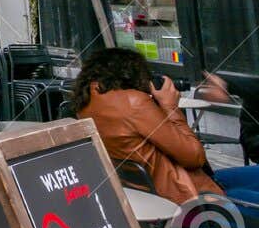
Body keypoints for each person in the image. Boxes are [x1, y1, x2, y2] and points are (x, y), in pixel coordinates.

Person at [70, 48, 259, 206]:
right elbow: (194, 157)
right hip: (193, 202)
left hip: (164, 193)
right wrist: (170, 107)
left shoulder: (89, 104)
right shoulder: (134, 103)